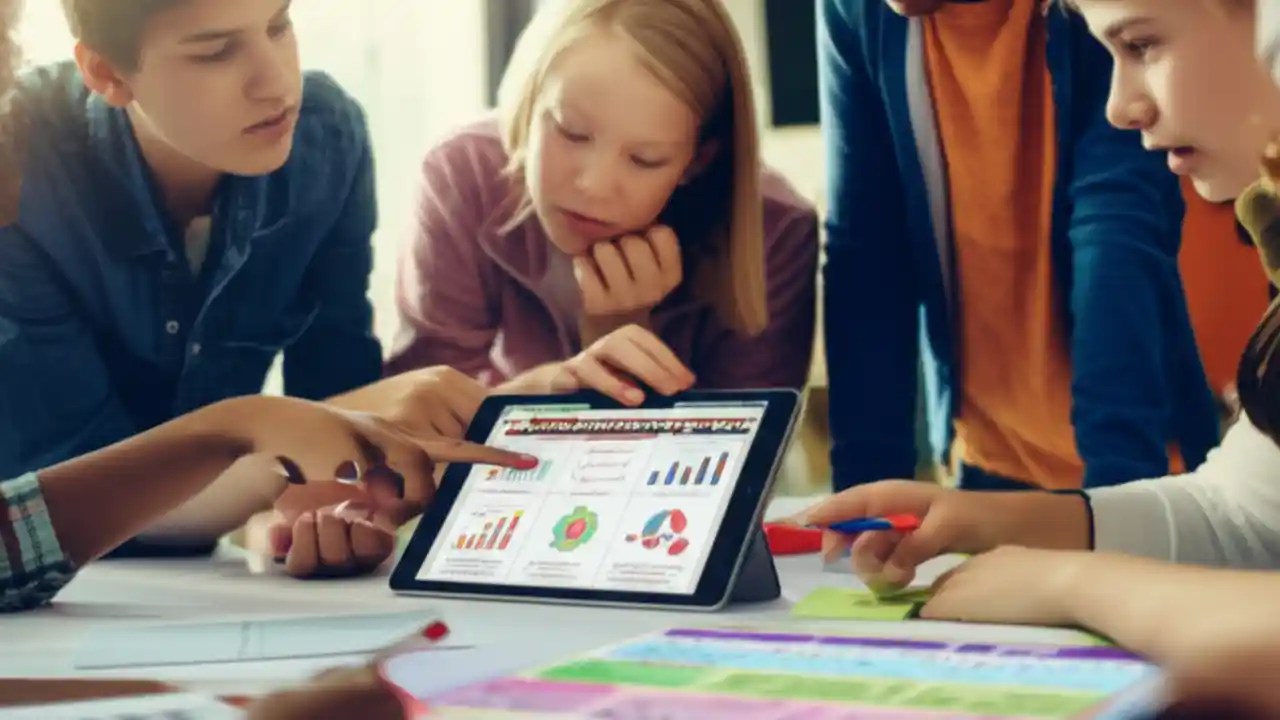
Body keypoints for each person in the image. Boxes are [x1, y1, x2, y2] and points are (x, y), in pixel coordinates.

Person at [800, 2, 1280, 713]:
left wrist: (1074, 581)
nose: (1120, 105)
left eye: (1143, 44)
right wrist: (981, 520)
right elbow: (1246, 521)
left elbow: (1115, 238)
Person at [0, 0, 486, 573]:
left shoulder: (326, 139)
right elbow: (70, 494)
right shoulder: (17, 166)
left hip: (209, 594)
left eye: (279, 24)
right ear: (107, 74)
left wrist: (340, 504)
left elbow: (336, 384)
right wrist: (279, 441)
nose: (278, 83)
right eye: (215, 52)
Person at [817, 0, 1225, 493]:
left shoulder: (1102, 12)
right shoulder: (855, 12)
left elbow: (1117, 238)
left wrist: (1119, 498)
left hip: (1136, 459)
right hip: (990, 460)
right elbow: (865, 253)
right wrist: (865, 496)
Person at [385, 0, 819, 405]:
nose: (593, 184)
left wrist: (623, 338)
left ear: (698, 160)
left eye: (644, 159)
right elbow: (414, 426)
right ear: (530, 98)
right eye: (571, 132)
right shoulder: (464, 173)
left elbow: (743, 463)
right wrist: (544, 390)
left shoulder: (774, 230)